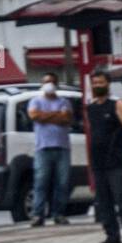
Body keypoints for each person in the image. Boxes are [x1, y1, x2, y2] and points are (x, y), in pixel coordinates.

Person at [86, 69, 122, 243]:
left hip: (116, 162)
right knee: (103, 201)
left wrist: (121, 148)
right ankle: (112, 235)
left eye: (100, 82)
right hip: (98, 162)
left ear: (107, 83)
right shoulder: (91, 107)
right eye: (94, 83)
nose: (97, 86)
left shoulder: (117, 105)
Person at [27, 72, 74, 227]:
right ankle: (38, 215)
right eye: (46, 82)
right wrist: (56, 115)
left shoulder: (64, 101)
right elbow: (34, 116)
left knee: (62, 182)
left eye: (52, 82)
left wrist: (45, 116)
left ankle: (58, 214)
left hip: (62, 147)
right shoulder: (35, 101)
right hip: (43, 148)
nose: (49, 84)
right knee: (41, 182)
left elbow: (66, 119)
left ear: (56, 84)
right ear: (42, 84)